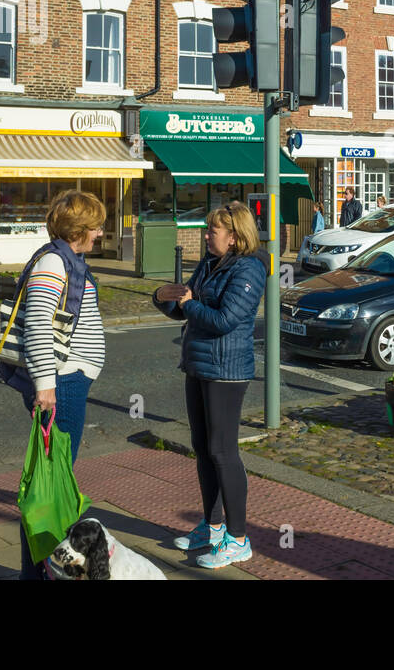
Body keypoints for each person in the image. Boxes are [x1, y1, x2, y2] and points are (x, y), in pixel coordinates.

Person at [154, 203, 266, 570]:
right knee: (202, 447)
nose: (206, 236)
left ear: (234, 237)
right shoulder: (209, 263)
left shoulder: (249, 268)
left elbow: (224, 320)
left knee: (223, 451)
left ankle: (238, 539)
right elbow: (186, 303)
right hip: (198, 364)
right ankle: (212, 526)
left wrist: (188, 304)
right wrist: (163, 299)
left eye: (212, 231)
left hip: (226, 369)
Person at [11, 189, 108, 580]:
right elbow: (36, 324)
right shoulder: (54, 263)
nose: (101, 233)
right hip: (62, 385)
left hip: (68, 381)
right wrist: (46, 386)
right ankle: (39, 574)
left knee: (52, 485)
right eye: (96, 226)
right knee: (51, 490)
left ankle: (37, 574)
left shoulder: (66, 259)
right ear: (79, 228)